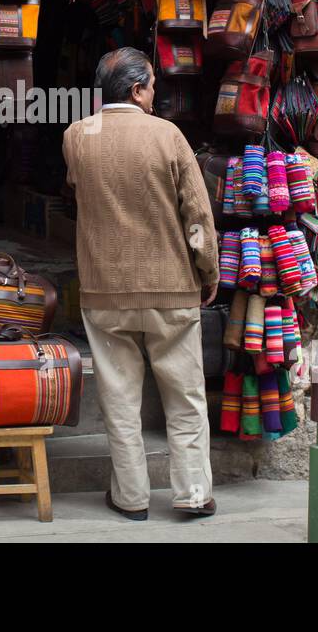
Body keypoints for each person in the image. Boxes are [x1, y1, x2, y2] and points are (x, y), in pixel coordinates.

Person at [61, 47, 219, 520]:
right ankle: (193, 493)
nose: (155, 95)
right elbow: (198, 216)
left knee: (119, 398)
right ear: (136, 89)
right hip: (170, 288)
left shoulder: (76, 136)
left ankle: (130, 498)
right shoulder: (168, 135)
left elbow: (78, 188)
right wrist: (206, 271)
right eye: (152, 86)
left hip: (104, 290)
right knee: (186, 397)